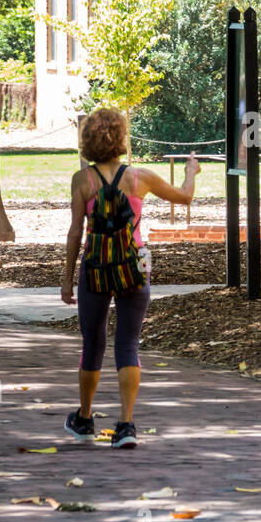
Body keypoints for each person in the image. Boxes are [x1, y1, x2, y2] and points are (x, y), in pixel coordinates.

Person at [61, 108, 198, 449]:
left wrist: (66, 279)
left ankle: (85, 418)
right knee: (127, 343)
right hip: (133, 265)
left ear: (88, 140)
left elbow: (75, 233)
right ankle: (125, 425)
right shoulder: (141, 177)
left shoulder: (83, 181)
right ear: (122, 138)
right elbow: (185, 196)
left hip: (94, 267)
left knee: (93, 343)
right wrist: (191, 171)